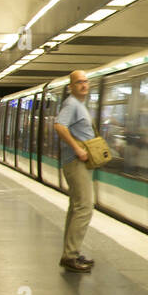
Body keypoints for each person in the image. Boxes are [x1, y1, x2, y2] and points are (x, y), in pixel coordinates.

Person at [52, 70, 96, 272]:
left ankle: (71, 253)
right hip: (76, 162)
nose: (84, 85)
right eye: (79, 82)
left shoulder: (79, 105)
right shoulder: (71, 104)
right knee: (85, 207)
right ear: (71, 86)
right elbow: (59, 126)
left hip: (81, 163)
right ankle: (70, 256)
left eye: (86, 82)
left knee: (76, 207)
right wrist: (78, 148)